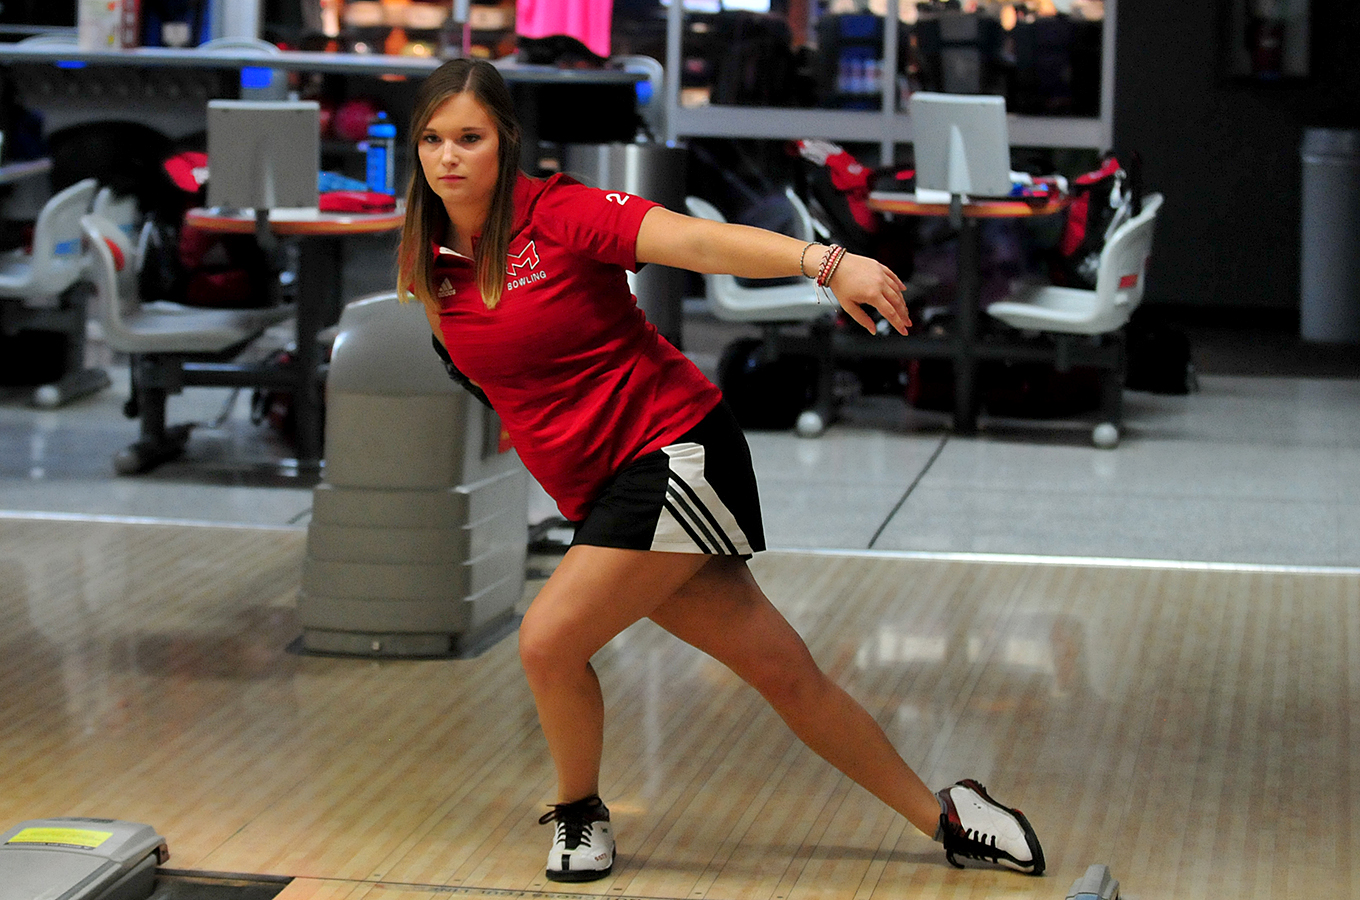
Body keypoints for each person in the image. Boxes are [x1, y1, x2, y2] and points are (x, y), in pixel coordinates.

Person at [398, 58, 1045, 883]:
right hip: (600, 487)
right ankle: (951, 816)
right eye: (432, 139)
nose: (449, 156)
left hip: (674, 453)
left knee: (548, 642)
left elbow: (694, 240)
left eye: (470, 138)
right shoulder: (426, 255)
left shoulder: (558, 214)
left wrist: (825, 263)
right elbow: (483, 364)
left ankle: (579, 815)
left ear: (507, 143)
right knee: (784, 673)